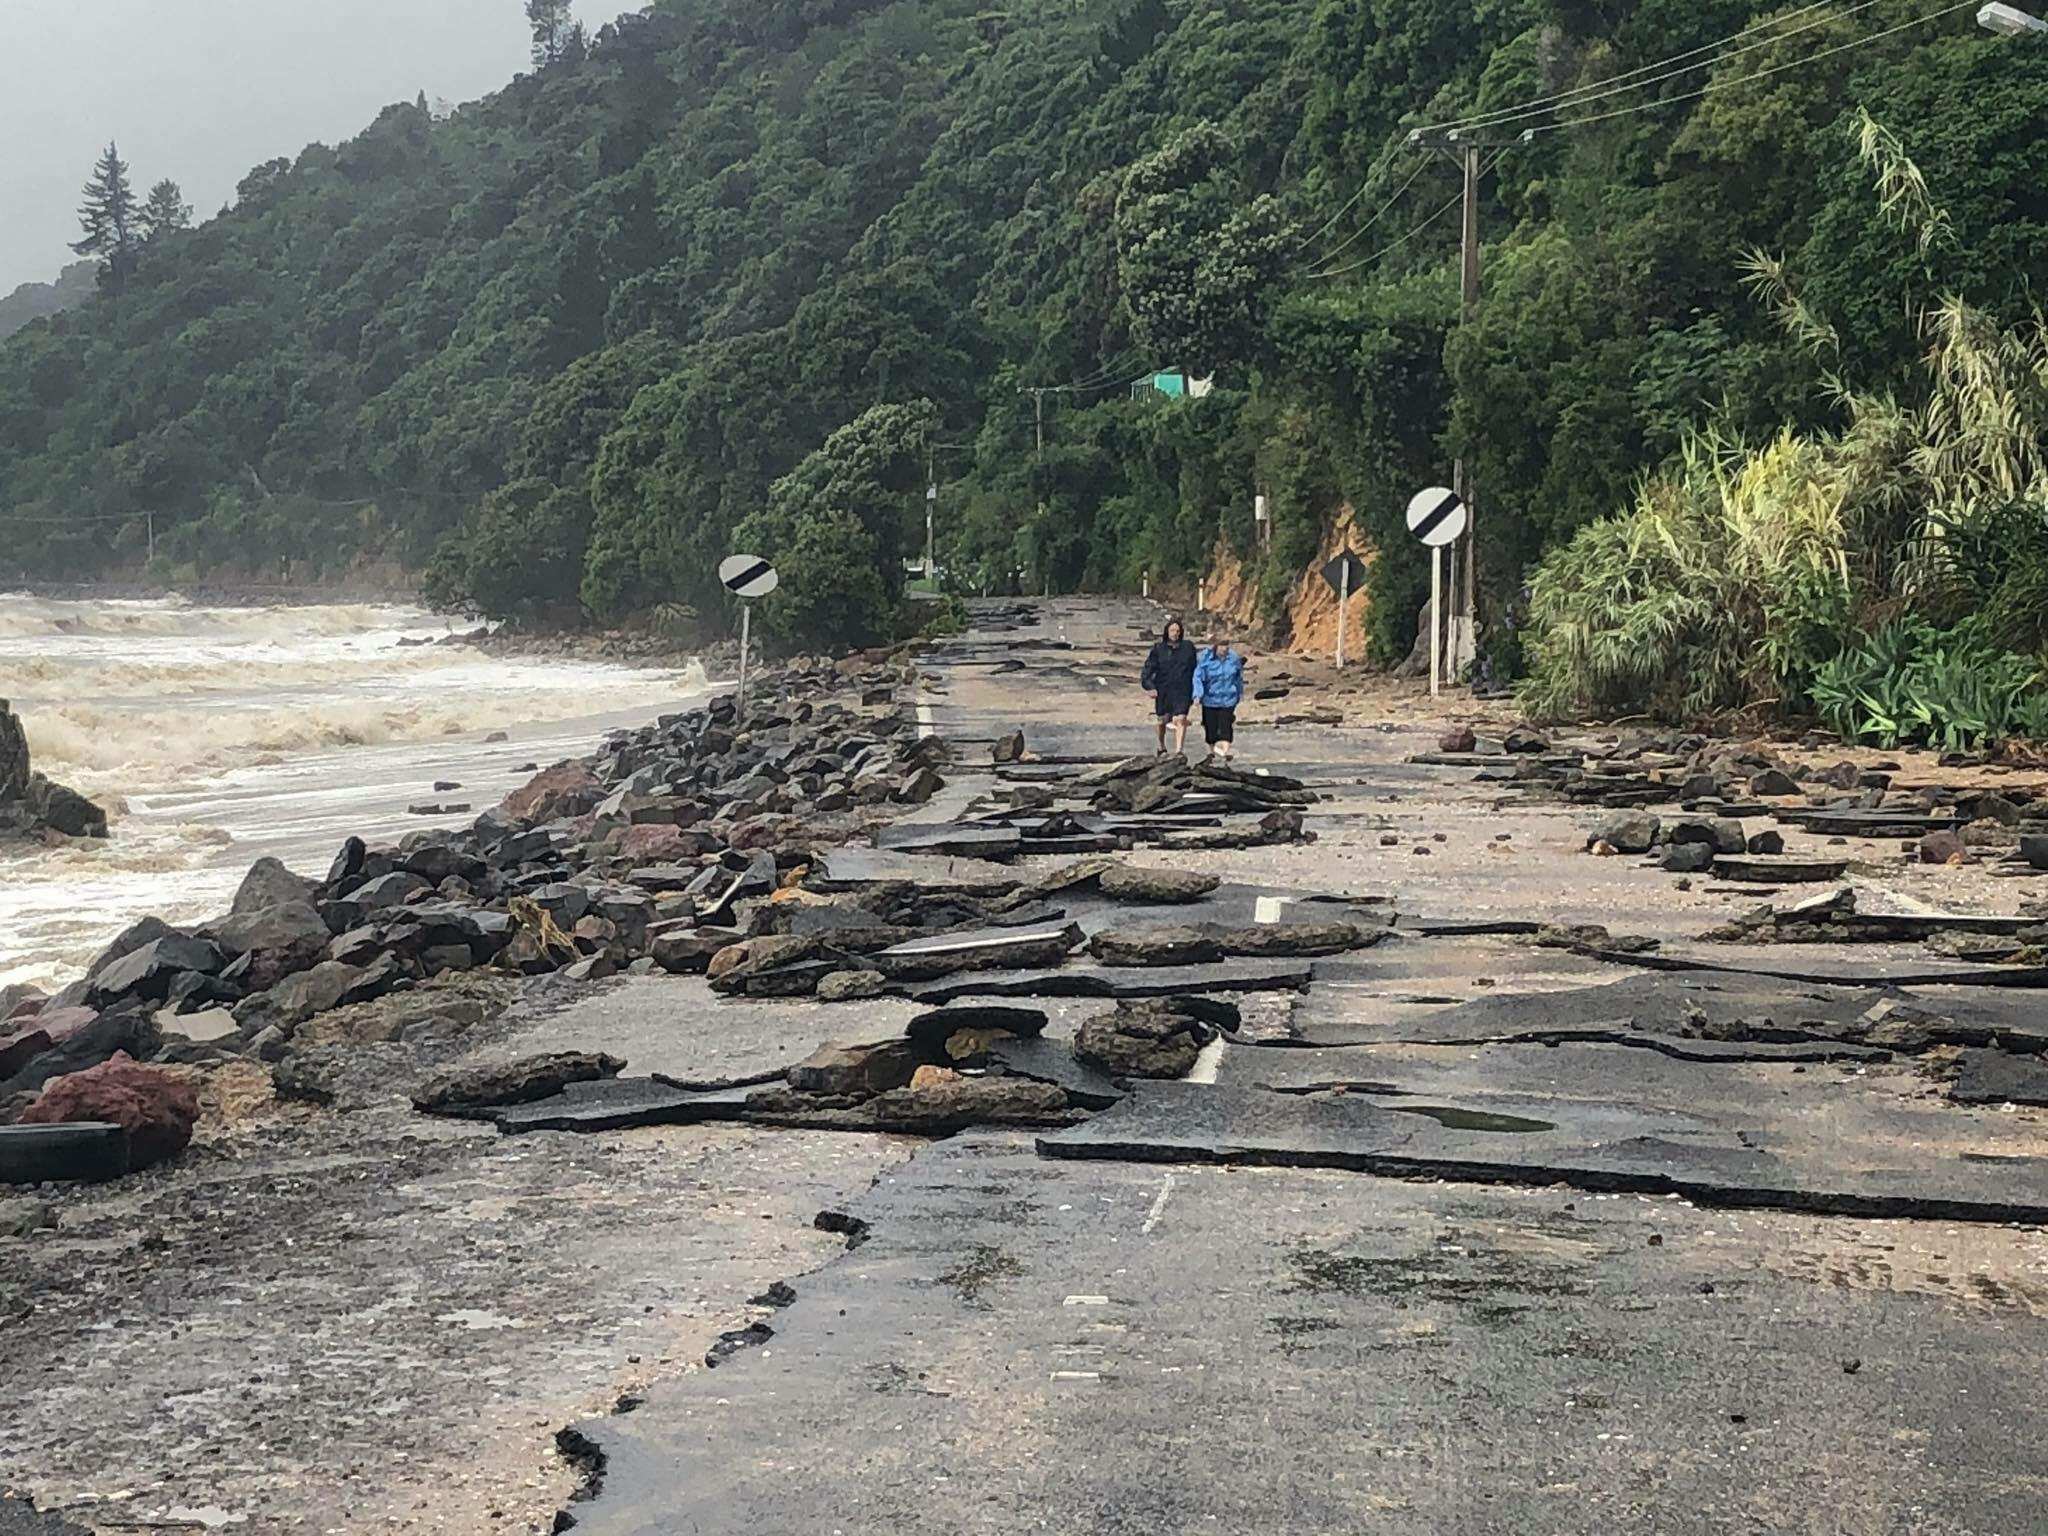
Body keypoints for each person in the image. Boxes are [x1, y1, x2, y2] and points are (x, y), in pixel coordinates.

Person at [1140, 616, 1198, 755]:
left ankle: (1179, 751)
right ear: (1167, 632)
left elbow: (1196, 670)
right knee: (1162, 721)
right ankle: (1161, 745)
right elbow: (1148, 670)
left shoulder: (1188, 648)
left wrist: (1197, 691)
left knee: (1181, 719)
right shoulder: (1158, 649)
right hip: (1163, 689)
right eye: (1172, 630)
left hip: (1183, 689)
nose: (1175, 634)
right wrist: (1150, 687)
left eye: (1177, 631)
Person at [1193, 634, 1247, 762]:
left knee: (1226, 724)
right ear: (1215, 647)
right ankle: (1211, 751)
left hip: (1228, 698)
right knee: (1210, 726)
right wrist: (1197, 695)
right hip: (1210, 699)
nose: (1224, 648)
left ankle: (1226, 750)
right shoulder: (1205, 659)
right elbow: (1198, 677)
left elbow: (1238, 677)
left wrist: (1239, 692)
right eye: (1222, 645)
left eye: (1226, 645)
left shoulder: (1233, 659)